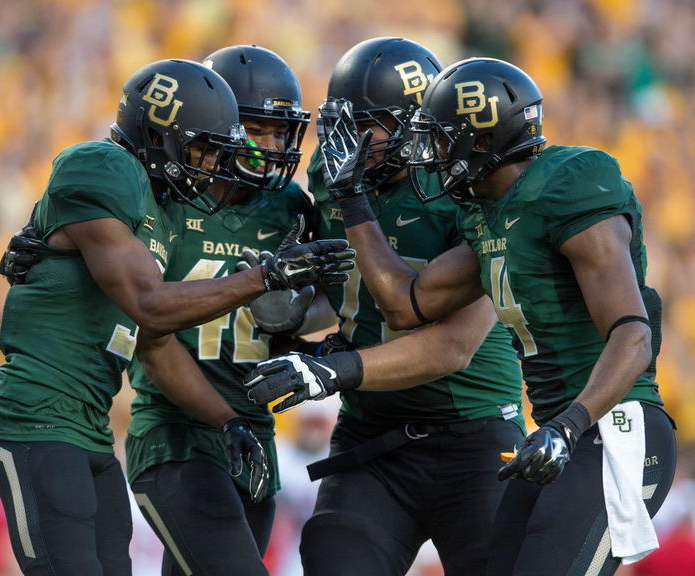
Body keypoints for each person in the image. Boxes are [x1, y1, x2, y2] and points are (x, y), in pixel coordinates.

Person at [248, 57, 677, 576]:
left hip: (611, 425)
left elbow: (633, 336)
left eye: (442, 137)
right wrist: (352, 202)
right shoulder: (489, 214)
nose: (430, 152)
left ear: (481, 140)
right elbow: (405, 304)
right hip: (556, 431)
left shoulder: (571, 184)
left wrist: (566, 426)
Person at [0, 58, 354, 576]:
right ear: (162, 138)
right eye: (205, 145)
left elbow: (149, 331)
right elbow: (149, 310)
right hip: (53, 415)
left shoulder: (168, 201)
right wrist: (264, 277)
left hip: (97, 425)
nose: (214, 159)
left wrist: (240, 406)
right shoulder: (112, 171)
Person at [246, 38, 526, 576]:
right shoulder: (331, 179)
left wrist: (336, 369)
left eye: (366, 124)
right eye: (342, 122)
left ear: (415, 124)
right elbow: (346, 296)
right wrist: (293, 310)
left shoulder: (466, 183)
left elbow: (454, 345)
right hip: (372, 437)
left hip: (473, 432)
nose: (348, 140)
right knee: (334, 557)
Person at [123, 45, 334, 576]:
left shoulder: (291, 207)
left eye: (281, 131)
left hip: (253, 434)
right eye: (257, 129)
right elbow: (151, 335)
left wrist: (303, 329)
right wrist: (225, 419)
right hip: (176, 433)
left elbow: (305, 314)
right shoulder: (164, 197)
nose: (273, 145)